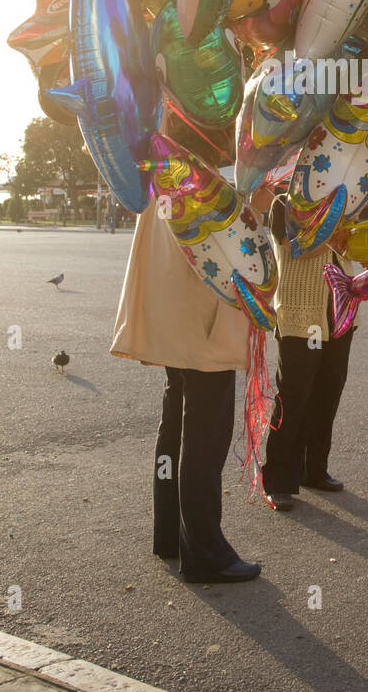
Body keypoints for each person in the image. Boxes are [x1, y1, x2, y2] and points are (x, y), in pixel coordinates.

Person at [110, 196, 260, 584]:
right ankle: (205, 551)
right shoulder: (207, 166)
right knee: (204, 434)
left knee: (177, 420)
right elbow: (231, 222)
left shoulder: (160, 158)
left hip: (173, 300)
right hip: (204, 301)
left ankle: (172, 535)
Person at [260, 194, 358, 513]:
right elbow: (300, 247)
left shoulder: (345, 202)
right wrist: (335, 224)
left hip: (339, 313)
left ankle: (314, 470)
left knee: (328, 393)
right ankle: (277, 481)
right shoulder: (282, 204)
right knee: (294, 396)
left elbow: (352, 249)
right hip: (302, 314)